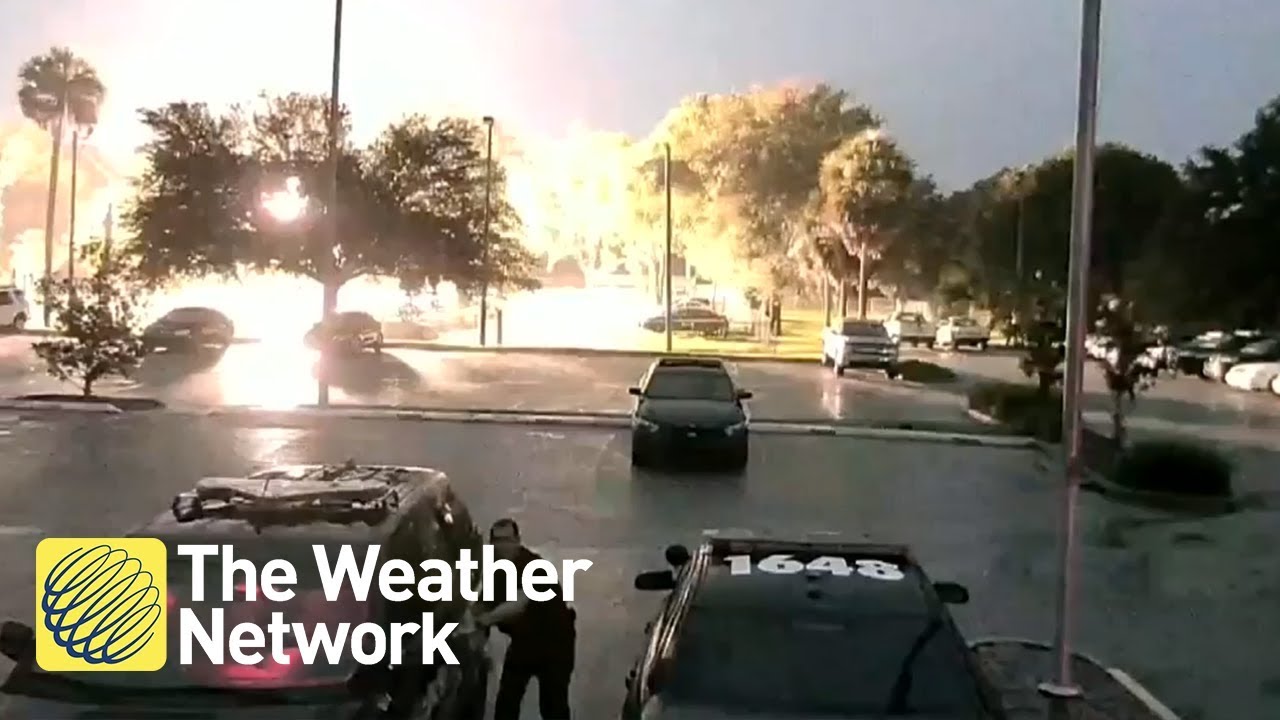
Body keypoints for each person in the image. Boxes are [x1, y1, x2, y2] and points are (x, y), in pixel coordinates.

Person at [476, 518, 576, 720]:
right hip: (524, 643)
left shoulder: (535, 566)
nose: (502, 546)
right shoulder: (495, 570)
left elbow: (519, 603)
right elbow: (483, 601)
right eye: (497, 541)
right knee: (506, 703)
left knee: (553, 706)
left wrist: (485, 620)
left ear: (517, 540)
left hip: (555, 645)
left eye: (507, 540)